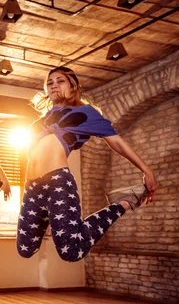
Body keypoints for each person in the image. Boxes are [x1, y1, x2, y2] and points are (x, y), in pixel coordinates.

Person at [17, 66, 158, 262]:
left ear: (73, 86)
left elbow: (116, 141)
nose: (53, 86)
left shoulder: (85, 112)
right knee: (25, 249)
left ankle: (123, 203)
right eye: (50, 83)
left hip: (58, 182)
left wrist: (146, 169)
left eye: (60, 81)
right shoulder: (44, 118)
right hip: (32, 187)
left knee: (70, 252)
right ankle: (62, 221)